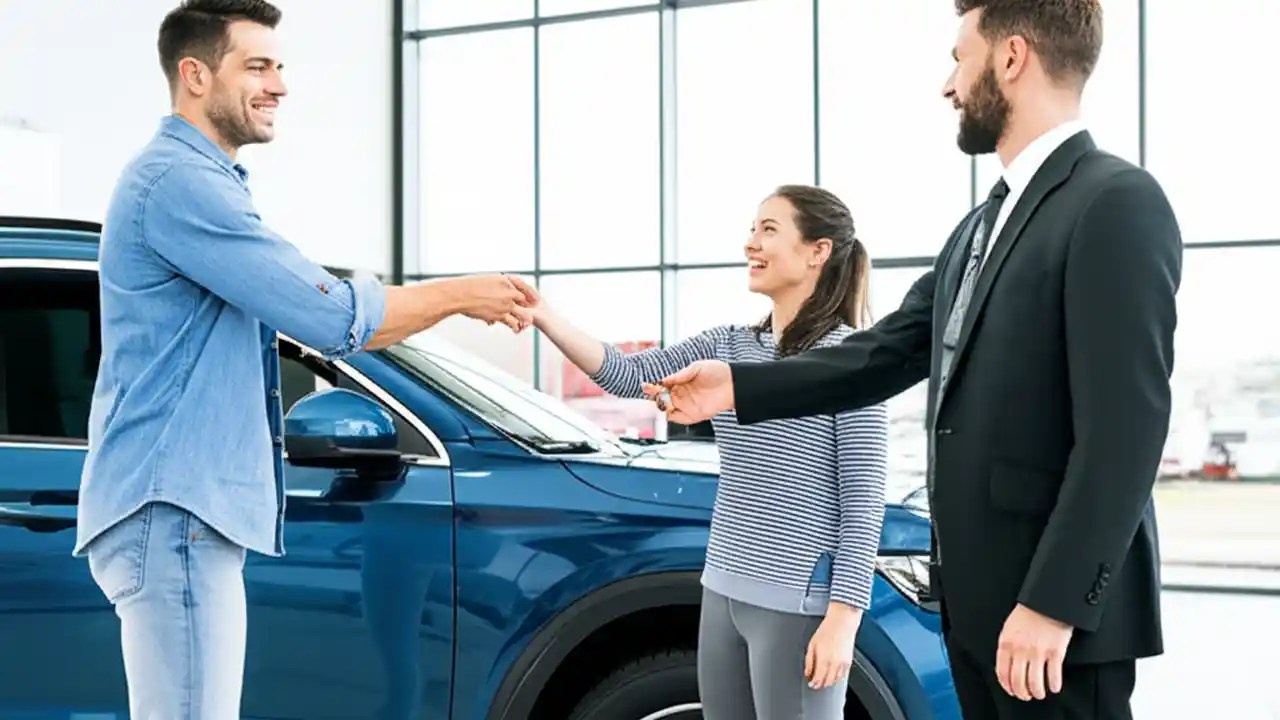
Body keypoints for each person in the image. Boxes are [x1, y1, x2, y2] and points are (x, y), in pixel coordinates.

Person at [644, 2, 1181, 718]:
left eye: (961, 57)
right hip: (978, 606)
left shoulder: (1115, 202)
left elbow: (1127, 432)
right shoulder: (981, 227)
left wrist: (1052, 607)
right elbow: (875, 357)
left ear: (1012, 58)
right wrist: (737, 387)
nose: (949, 84)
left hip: (1050, 627)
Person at [73, 1, 537, 717]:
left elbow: (333, 323)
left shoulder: (197, 184)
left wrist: (445, 301)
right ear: (195, 75)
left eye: (279, 67)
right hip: (177, 512)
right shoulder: (180, 184)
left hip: (182, 514)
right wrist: (462, 293)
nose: (279, 85)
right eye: (257, 66)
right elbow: (329, 314)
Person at [531, 185, 890, 719]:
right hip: (722, 587)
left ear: (818, 251)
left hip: (796, 601)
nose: (751, 243)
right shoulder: (728, 346)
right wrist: (544, 316)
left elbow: (863, 502)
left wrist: (843, 619)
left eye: (769, 229)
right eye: (752, 229)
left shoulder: (851, 361)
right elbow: (627, 374)